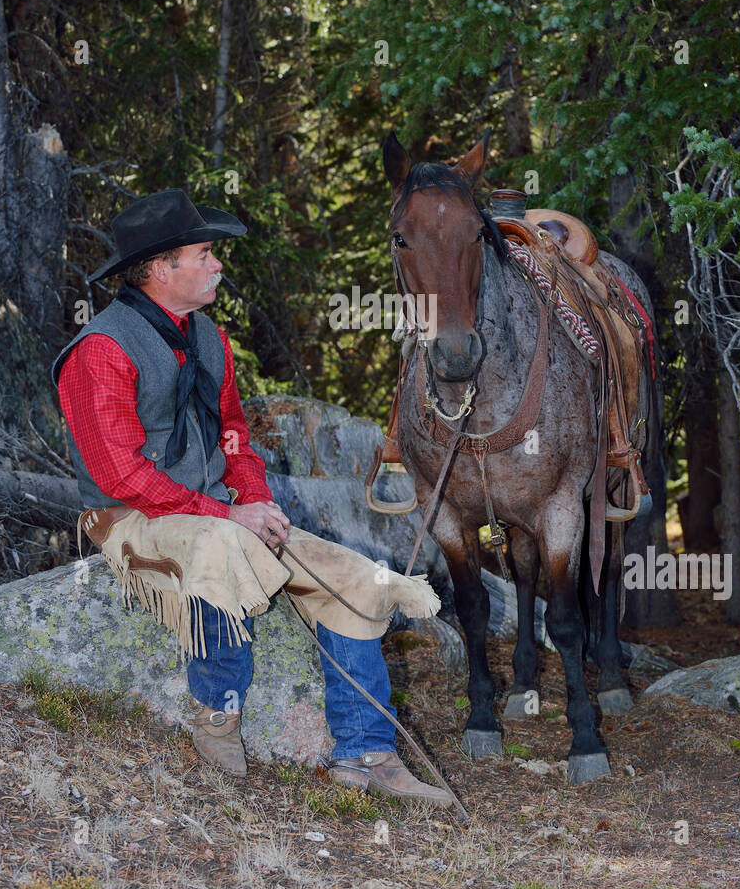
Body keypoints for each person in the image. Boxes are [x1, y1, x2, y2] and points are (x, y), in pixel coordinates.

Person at [53, 189, 449, 805]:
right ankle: (217, 714)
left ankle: (366, 752)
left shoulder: (208, 339)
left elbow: (235, 437)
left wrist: (257, 504)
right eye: (205, 254)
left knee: (361, 578)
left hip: (215, 510)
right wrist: (227, 513)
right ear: (161, 269)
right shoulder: (102, 349)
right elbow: (123, 474)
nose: (217, 266)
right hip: (133, 517)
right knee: (220, 545)